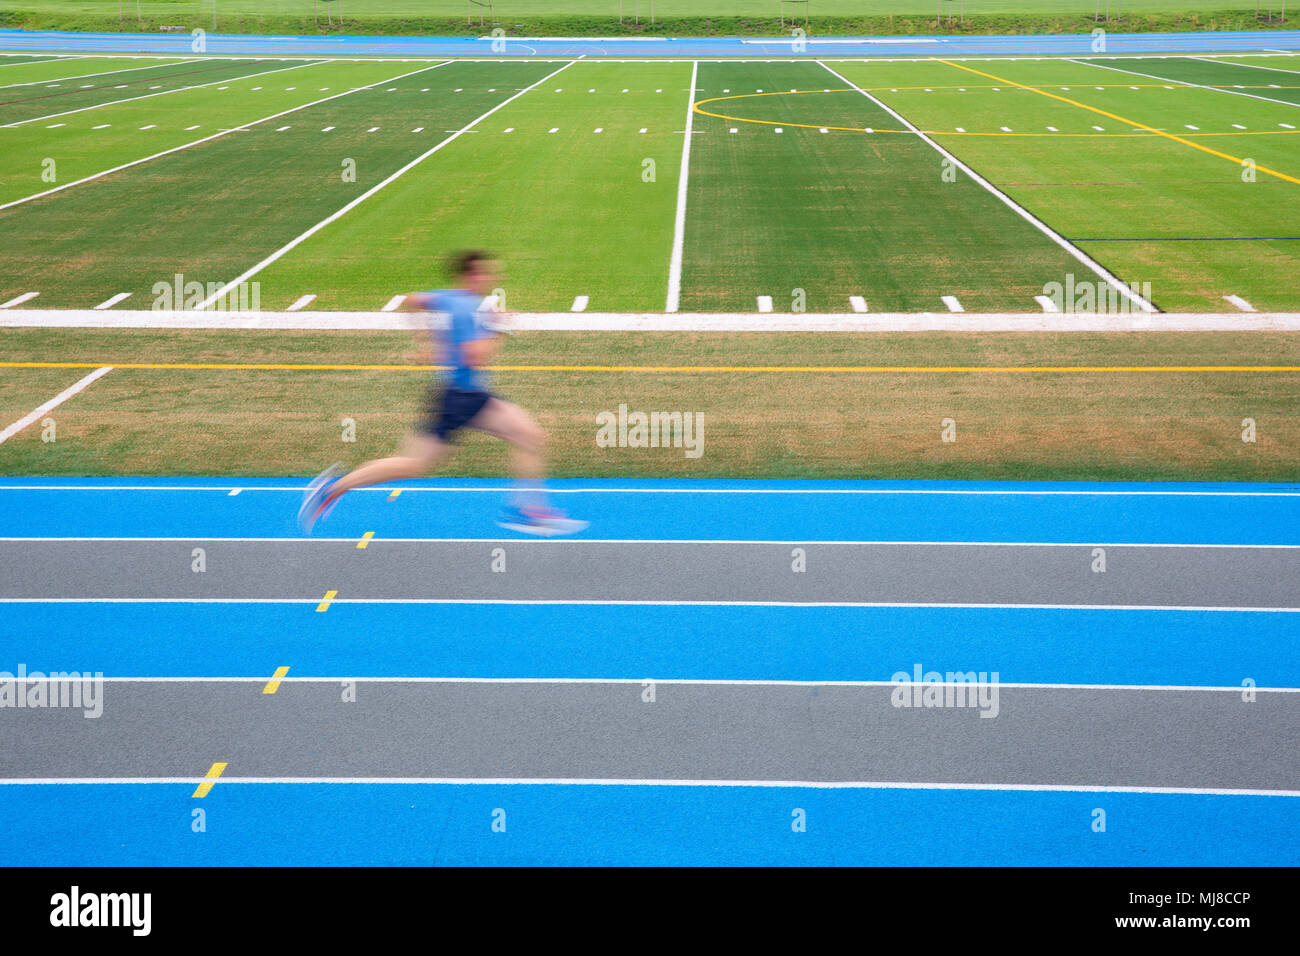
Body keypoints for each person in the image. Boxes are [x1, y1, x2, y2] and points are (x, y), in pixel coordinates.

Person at [298, 250, 586, 536]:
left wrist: (423, 339)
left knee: (416, 464)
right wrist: (500, 328)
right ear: (469, 275)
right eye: (486, 272)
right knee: (527, 437)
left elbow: (412, 300)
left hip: (458, 395)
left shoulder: (449, 297)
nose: (493, 277)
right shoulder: (467, 309)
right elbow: (476, 357)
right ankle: (527, 511)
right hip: (464, 399)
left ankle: (333, 488)